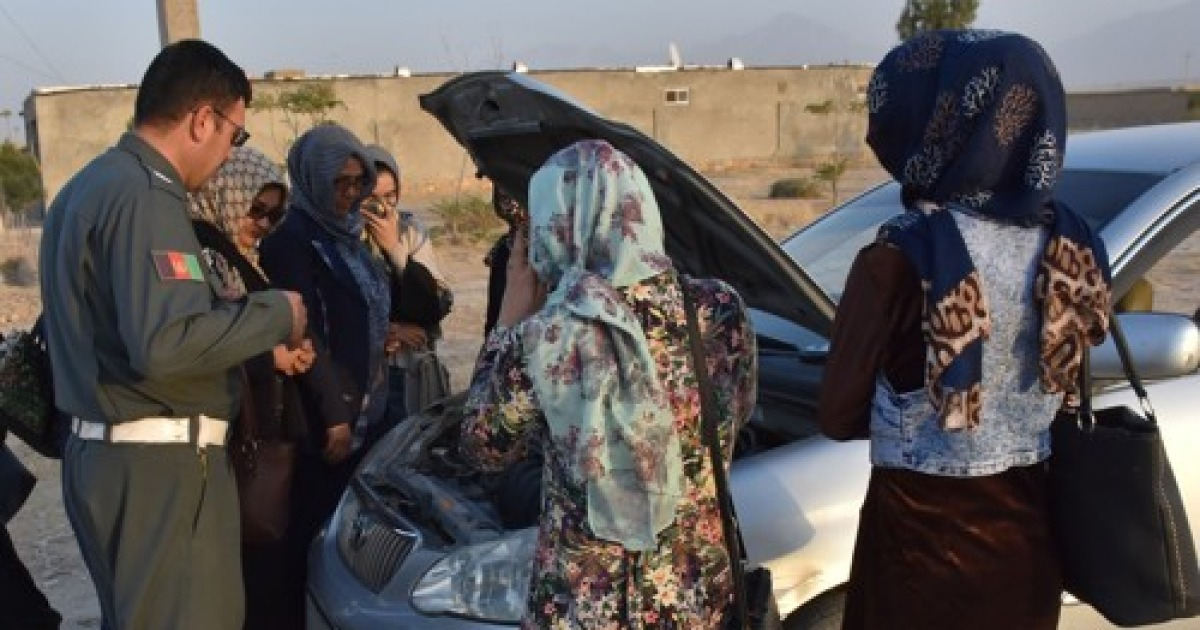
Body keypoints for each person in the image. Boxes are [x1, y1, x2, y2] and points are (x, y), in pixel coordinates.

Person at [816, 30, 1112, 630]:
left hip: (918, 560)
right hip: (1027, 551)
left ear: (940, 126)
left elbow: (835, 414)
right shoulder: (1074, 243)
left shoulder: (899, 257)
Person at [38, 39, 305, 630]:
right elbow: (166, 344)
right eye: (236, 135)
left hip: (110, 453)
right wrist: (275, 313)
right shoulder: (147, 195)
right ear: (202, 119)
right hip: (157, 463)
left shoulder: (88, 186)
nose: (230, 152)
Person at [460, 140, 758, 628]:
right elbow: (738, 412)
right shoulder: (718, 310)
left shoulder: (545, 335)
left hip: (583, 605)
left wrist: (507, 322)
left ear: (560, 224)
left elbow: (484, 447)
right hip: (691, 597)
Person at [257, 123, 387, 621]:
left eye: (359, 181)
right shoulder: (291, 241)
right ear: (313, 178)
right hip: (323, 419)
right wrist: (333, 413)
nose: (350, 193)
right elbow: (303, 332)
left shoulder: (352, 238)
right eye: (340, 182)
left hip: (367, 408)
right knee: (310, 535)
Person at [186, 145, 314, 630]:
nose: (261, 223)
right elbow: (203, 340)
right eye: (255, 209)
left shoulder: (242, 257)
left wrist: (294, 350)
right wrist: (271, 356)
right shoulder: (202, 249)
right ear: (228, 195)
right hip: (233, 434)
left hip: (264, 421)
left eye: (273, 214)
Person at [360, 144, 453, 429]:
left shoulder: (410, 230)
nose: (383, 208)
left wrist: (396, 252)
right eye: (372, 198)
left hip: (408, 367)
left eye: (390, 197)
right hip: (363, 370)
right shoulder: (342, 235)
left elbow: (437, 303)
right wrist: (386, 329)